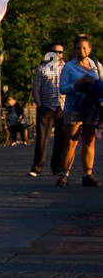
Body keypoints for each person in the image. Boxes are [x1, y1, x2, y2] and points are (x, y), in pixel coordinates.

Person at [57, 34, 100, 187]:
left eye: (84, 48)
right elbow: (62, 89)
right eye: (78, 48)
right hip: (74, 107)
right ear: (74, 50)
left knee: (89, 141)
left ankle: (87, 174)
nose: (81, 51)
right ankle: (65, 174)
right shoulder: (69, 67)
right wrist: (78, 84)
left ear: (89, 50)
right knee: (71, 141)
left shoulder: (96, 66)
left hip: (90, 108)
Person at [29, 45, 65, 176]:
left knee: (61, 139)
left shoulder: (67, 69)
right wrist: (39, 105)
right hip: (46, 107)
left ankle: (58, 167)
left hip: (62, 107)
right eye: (54, 52)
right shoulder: (42, 69)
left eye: (60, 52)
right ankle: (37, 166)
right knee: (42, 139)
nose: (57, 54)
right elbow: (36, 88)